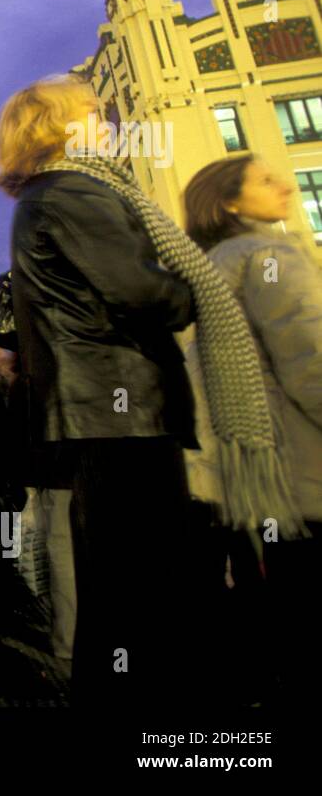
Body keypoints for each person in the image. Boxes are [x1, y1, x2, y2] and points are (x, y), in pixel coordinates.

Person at [0, 73, 289, 705]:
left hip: (107, 418)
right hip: (122, 417)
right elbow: (137, 289)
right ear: (54, 126)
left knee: (126, 597)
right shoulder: (74, 190)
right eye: (92, 112)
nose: (107, 121)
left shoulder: (58, 194)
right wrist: (206, 293)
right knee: (142, 598)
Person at [183, 155, 322, 703]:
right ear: (229, 202)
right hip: (304, 473)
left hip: (256, 483)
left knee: (283, 626)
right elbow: (311, 360)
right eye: (266, 179)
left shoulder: (211, 267)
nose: (286, 184)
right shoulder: (268, 255)